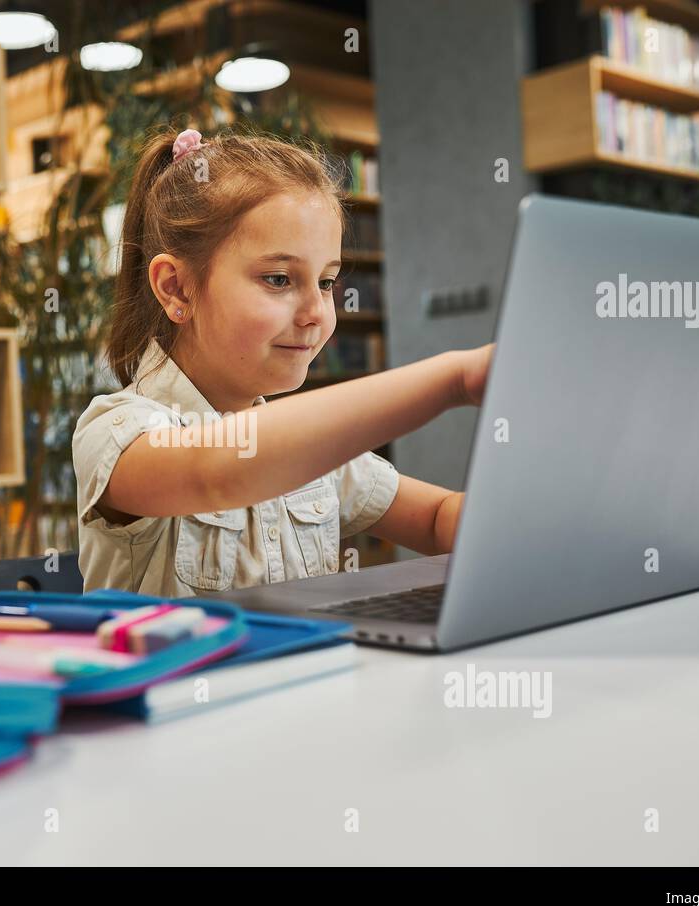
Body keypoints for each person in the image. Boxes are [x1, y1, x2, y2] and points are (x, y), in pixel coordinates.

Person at [73, 128, 493, 596]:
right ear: (176, 288)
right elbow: (218, 471)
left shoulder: (306, 451)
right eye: (278, 279)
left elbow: (437, 518)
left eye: (328, 283)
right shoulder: (116, 432)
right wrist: (454, 379)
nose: (316, 313)